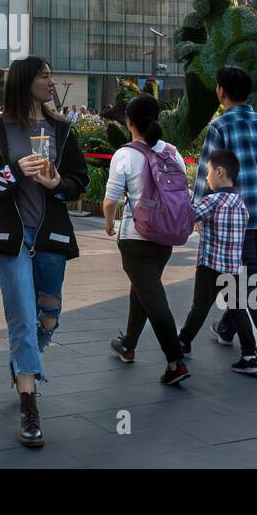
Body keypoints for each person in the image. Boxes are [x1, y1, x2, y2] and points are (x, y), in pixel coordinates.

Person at [0, 56, 88, 447]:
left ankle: (23, 358)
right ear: (26, 81)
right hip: (11, 236)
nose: (51, 81)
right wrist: (14, 172)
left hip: (51, 235)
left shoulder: (61, 129)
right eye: (44, 76)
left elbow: (80, 182)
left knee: (48, 316)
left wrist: (57, 182)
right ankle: (29, 401)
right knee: (22, 318)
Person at [195, 66, 257, 365]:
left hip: (233, 217)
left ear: (221, 92)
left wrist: (198, 210)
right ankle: (226, 328)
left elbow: (207, 173)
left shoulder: (220, 127)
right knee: (246, 272)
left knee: (248, 279)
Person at [103, 94, 191, 385]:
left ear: (129, 122)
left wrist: (107, 223)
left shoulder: (126, 154)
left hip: (136, 237)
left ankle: (175, 362)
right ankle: (128, 345)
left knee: (153, 298)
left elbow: (110, 201)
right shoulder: (172, 152)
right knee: (143, 289)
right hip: (164, 236)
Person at [177, 149, 257, 374]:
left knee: (199, 308)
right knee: (238, 310)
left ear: (219, 172)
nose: (206, 177)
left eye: (208, 173)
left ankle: (183, 343)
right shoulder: (241, 204)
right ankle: (250, 356)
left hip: (209, 267)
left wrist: (186, 199)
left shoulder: (212, 201)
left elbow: (187, 216)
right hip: (232, 268)